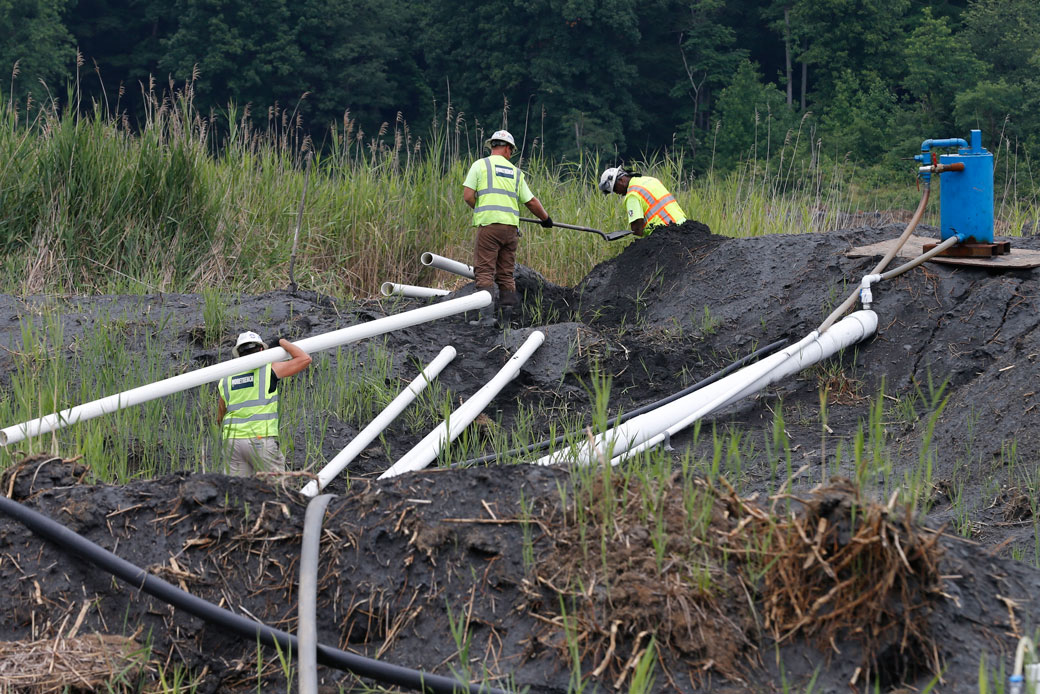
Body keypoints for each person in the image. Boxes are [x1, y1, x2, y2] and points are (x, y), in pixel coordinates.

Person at [462, 129, 553, 328]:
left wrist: (482, 208)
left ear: (493, 146)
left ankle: (486, 319)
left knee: (485, 272)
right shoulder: (516, 173)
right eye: (511, 150)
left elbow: (468, 196)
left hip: (489, 227)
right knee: (505, 274)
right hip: (511, 229)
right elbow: (531, 201)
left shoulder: (480, 165)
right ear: (507, 149)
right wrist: (546, 219)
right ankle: (504, 321)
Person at [217, 331, 312, 476]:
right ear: (262, 350)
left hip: (232, 443)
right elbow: (304, 359)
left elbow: (219, 418)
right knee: (275, 490)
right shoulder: (268, 370)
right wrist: (281, 341)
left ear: (239, 353)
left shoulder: (226, 379)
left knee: (235, 491)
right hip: (260, 440)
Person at [598, 167, 687, 236]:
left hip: (667, 232)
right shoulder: (650, 179)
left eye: (615, 188)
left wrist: (633, 233)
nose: (617, 193)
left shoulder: (632, 194)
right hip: (685, 224)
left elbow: (637, 229)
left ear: (621, 180)